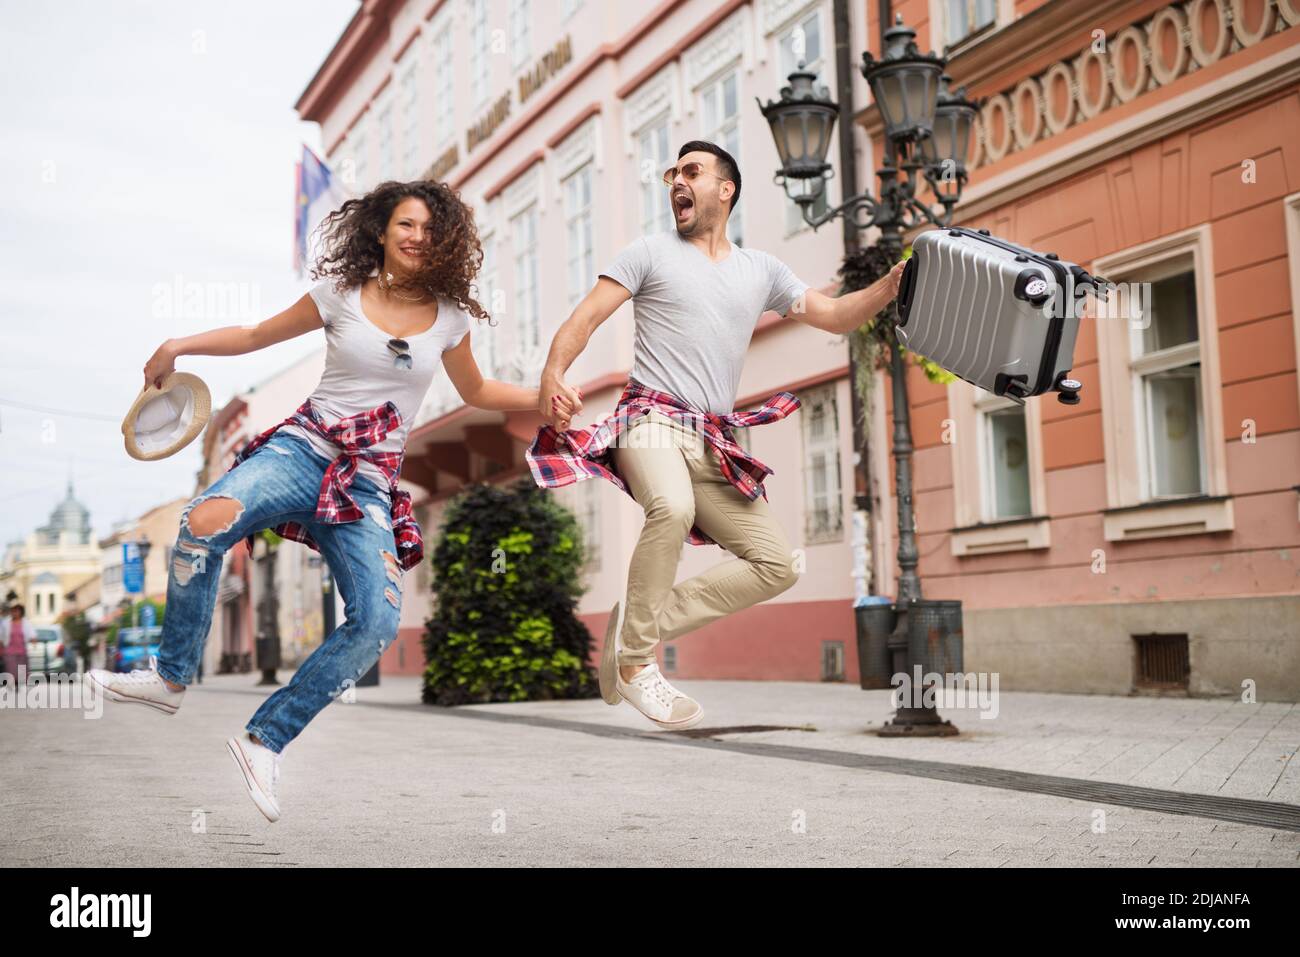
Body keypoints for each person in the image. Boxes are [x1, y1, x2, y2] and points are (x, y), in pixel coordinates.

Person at [87, 180, 577, 822]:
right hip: (304, 450)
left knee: (377, 621)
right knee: (201, 521)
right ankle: (171, 675)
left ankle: (265, 740)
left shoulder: (450, 318)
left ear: (446, 242)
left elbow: (479, 389)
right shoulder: (340, 293)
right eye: (406, 224)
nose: (416, 237)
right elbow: (257, 334)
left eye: (430, 230)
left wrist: (546, 398)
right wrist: (179, 345)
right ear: (381, 230)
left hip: (369, 482)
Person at [528, 140, 905, 731]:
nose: (677, 180)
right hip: (649, 418)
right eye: (672, 172)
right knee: (671, 508)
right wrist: (554, 375)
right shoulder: (648, 253)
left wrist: (888, 287)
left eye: (692, 171)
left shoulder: (762, 271)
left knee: (776, 564)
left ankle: (638, 620)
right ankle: (635, 664)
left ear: (725, 189)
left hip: (711, 438)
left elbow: (832, 315)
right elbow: (584, 320)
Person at [4, 603, 36, 683]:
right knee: (11, 671)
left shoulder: (26, 623)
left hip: (22, 651)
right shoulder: (6, 623)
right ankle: (13, 688)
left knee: (22, 673)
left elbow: (32, 634)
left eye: (16, 611)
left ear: (21, 612)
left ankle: (21, 689)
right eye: (13, 611)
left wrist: (33, 640)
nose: (14, 613)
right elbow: (1, 636)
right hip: (9, 652)